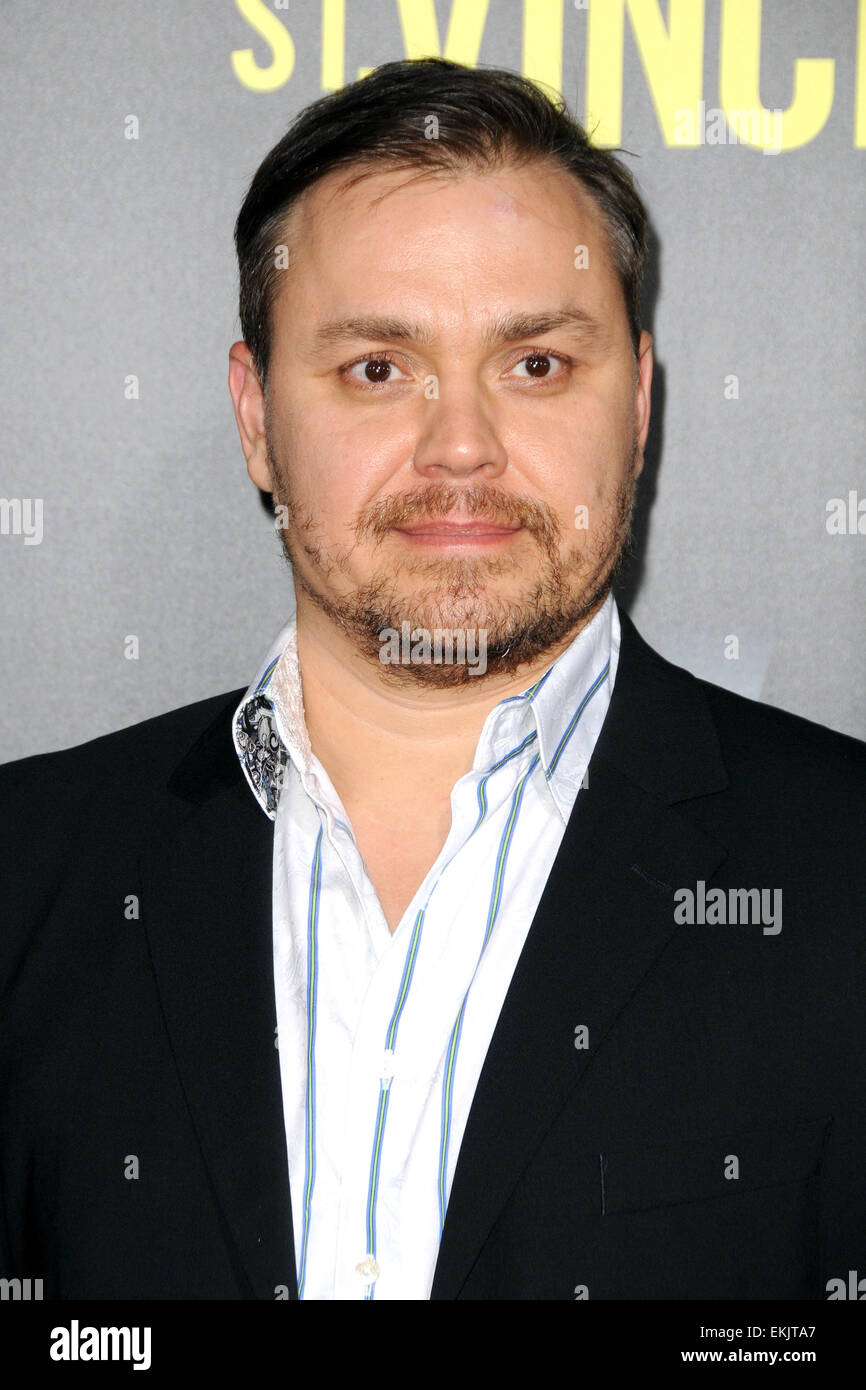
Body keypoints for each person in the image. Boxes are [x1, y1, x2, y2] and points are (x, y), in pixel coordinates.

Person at [1, 57, 864, 1302]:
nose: (459, 447)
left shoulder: (842, 873)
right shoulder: (28, 874)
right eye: (374, 369)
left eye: (533, 367)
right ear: (254, 418)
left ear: (636, 406)